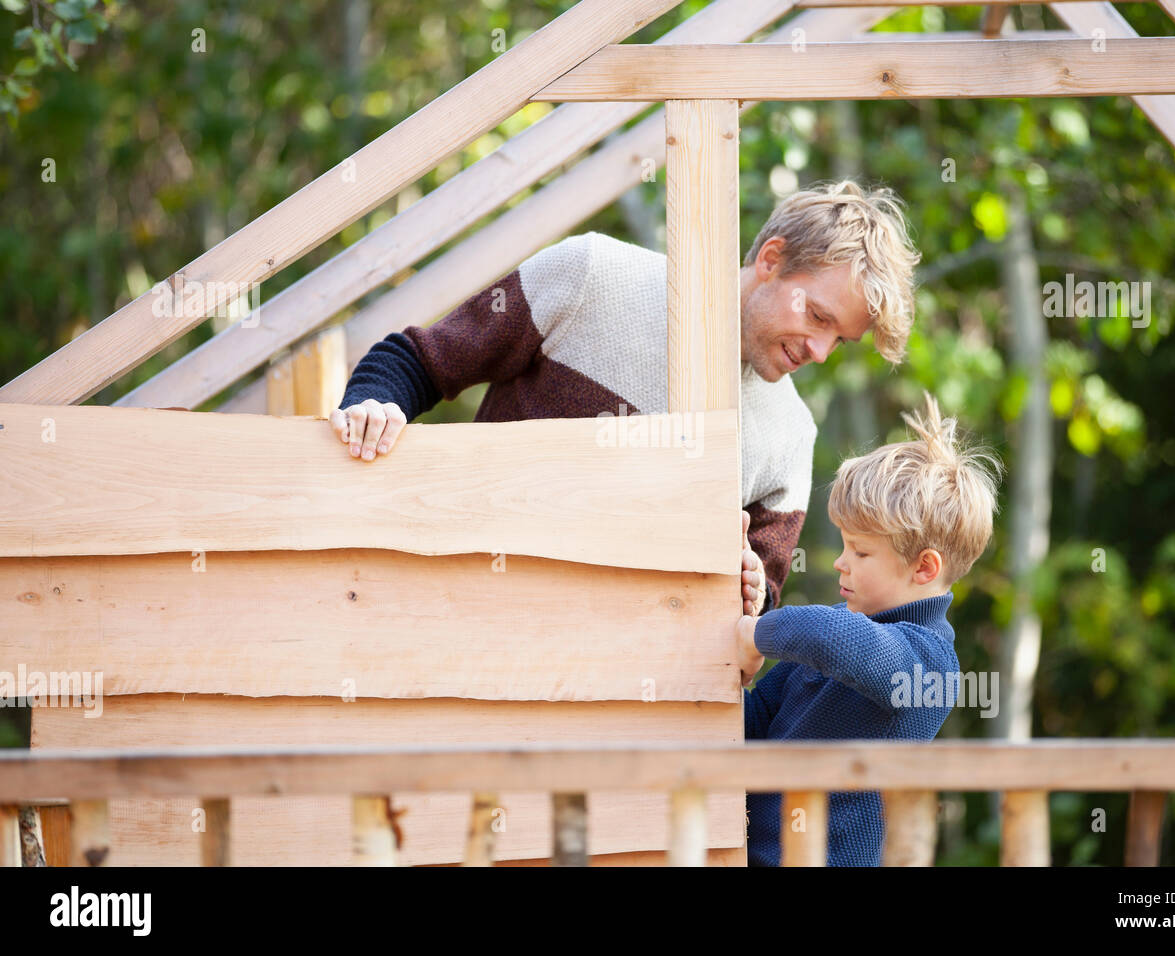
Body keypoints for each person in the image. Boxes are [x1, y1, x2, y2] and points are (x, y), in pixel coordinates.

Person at [331, 179, 921, 614]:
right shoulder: (593, 273)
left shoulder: (792, 434)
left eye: (838, 340)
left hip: (617, 709)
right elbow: (418, 362)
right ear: (771, 259)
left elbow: (755, 611)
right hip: (462, 611)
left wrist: (747, 590)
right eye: (817, 316)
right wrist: (374, 404)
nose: (819, 351)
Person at [735, 392, 1003, 865]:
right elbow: (755, 723)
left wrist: (756, 633)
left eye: (860, 552)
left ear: (924, 568)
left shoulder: (931, 667)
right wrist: (739, 672)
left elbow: (837, 643)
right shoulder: (836, 633)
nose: (841, 562)